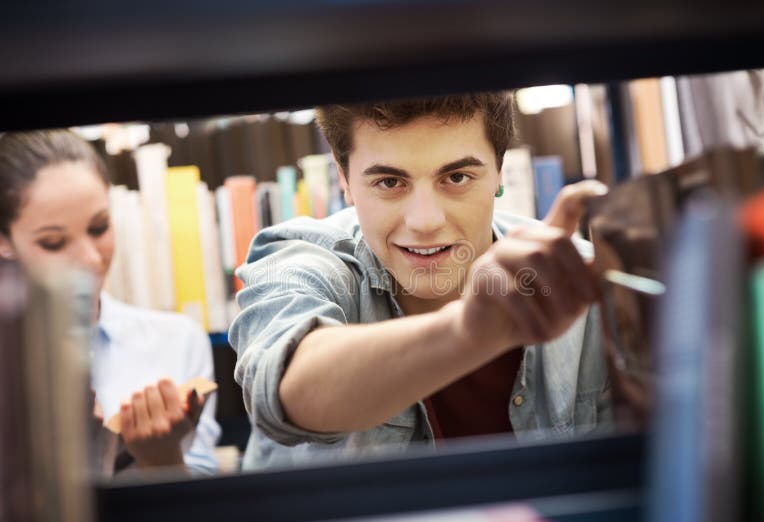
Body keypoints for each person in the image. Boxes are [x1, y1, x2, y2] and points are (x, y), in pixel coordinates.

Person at [230, 92, 612, 470]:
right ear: (343, 176)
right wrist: (471, 330)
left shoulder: (580, 278)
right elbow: (287, 388)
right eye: (389, 183)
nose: (425, 221)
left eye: (457, 177)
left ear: (499, 169)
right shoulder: (297, 256)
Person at [0, 130, 220, 475]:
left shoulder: (177, 341)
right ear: (5, 244)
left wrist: (161, 460)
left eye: (99, 228)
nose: (89, 259)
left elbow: (202, 508)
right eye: (54, 243)